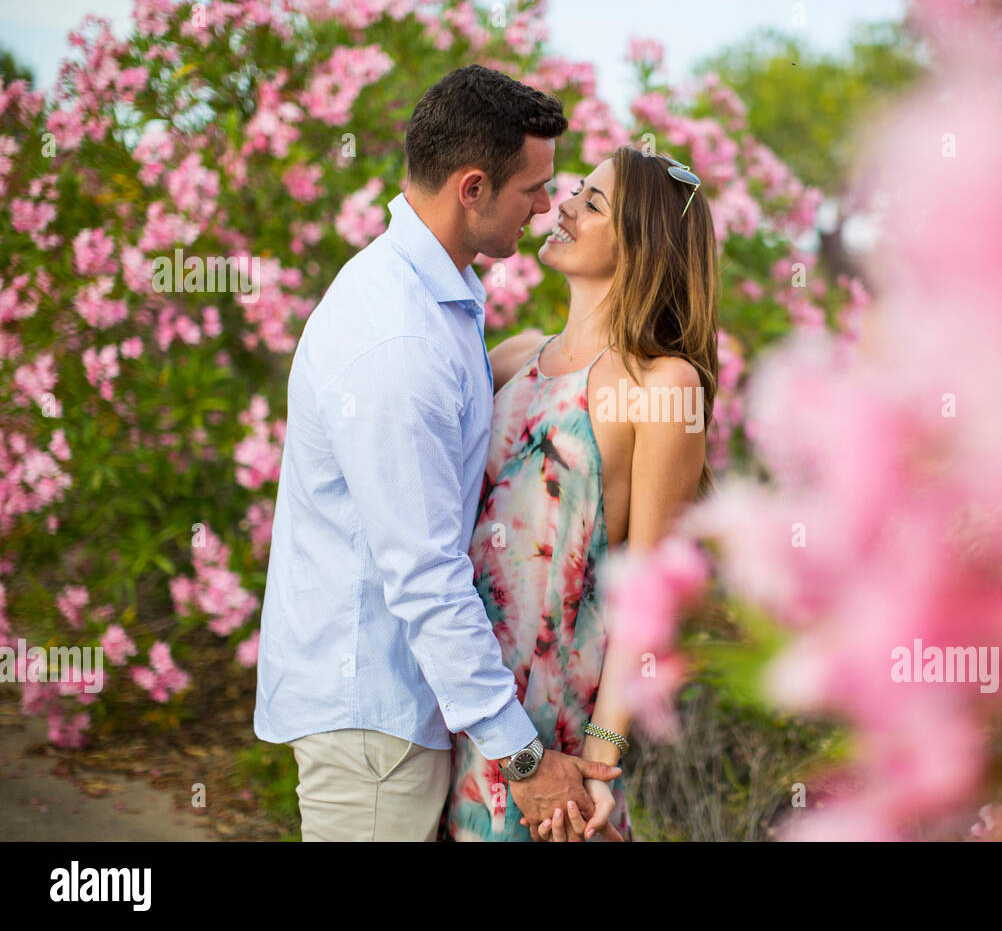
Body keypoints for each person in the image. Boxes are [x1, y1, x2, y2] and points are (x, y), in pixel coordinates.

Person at [253, 65, 622, 841]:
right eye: (534, 189)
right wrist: (522, 759)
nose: (549, 208)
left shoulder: (434, 298)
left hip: (404, 711)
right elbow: (424, 573)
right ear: (473, 187)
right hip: (372, 724)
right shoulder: (400, 339)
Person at [445, 144, 719, 841]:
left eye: (592, 203)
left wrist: (602, 755)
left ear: (643, 244)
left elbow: (650, 587)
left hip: (558, 736)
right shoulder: (511, 358)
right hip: (462, 712)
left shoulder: (664, 385)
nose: (561, 206)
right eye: (575, 192)